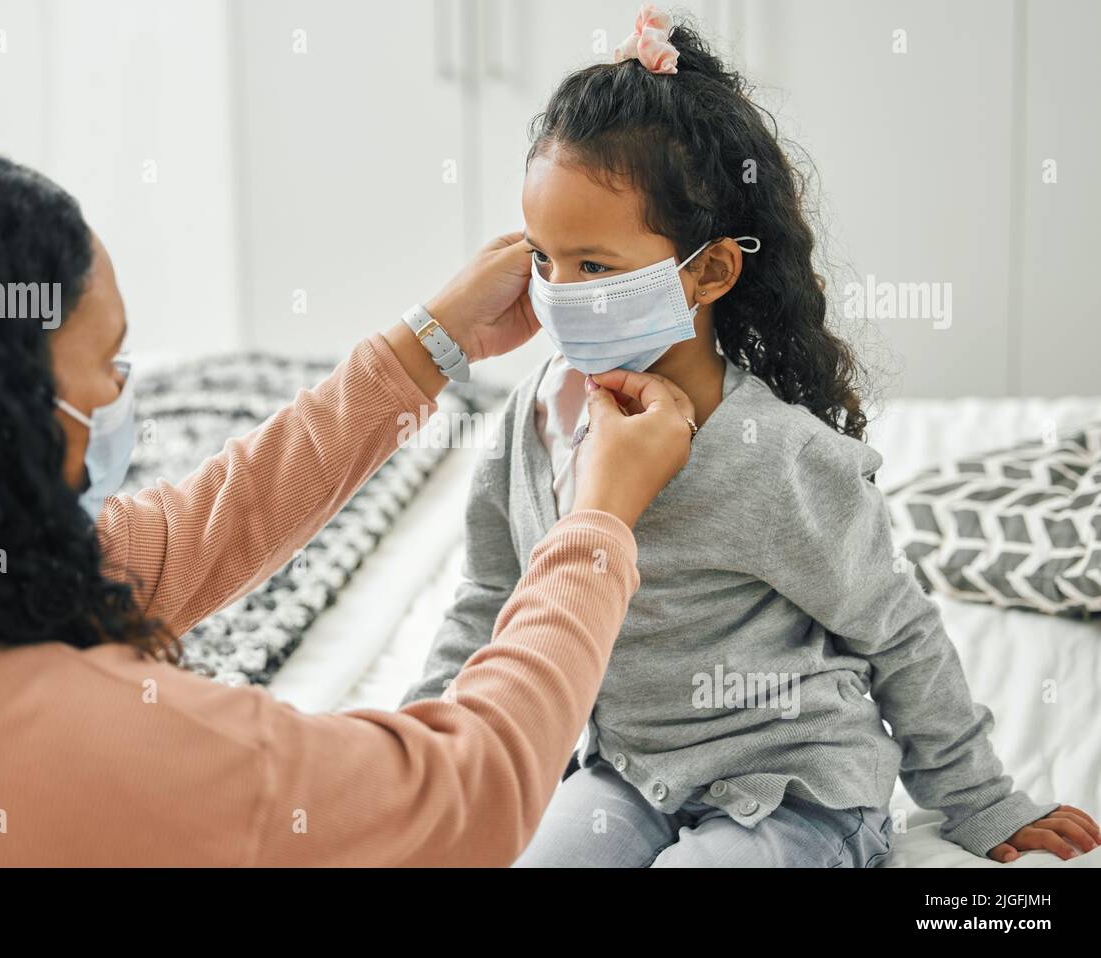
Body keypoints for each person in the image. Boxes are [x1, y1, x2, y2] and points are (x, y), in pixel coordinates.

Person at [0, 145, 697, 867]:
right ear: (3, 413)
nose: (126, 390)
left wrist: (429, 345)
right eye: (111, 364)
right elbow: (464, 793)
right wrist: (597, 526)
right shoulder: (126, 745)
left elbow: (201, 529)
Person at [401, 7, 1099, 866]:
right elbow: (489, 603)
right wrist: (408, 770)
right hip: (632, 772)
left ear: (710, 272)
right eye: (543, 259)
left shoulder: (777, 458)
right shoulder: (532, 424)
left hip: (795, 783)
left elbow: (898, 630)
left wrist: (983, 802)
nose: (558, 292)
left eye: (595, 267)